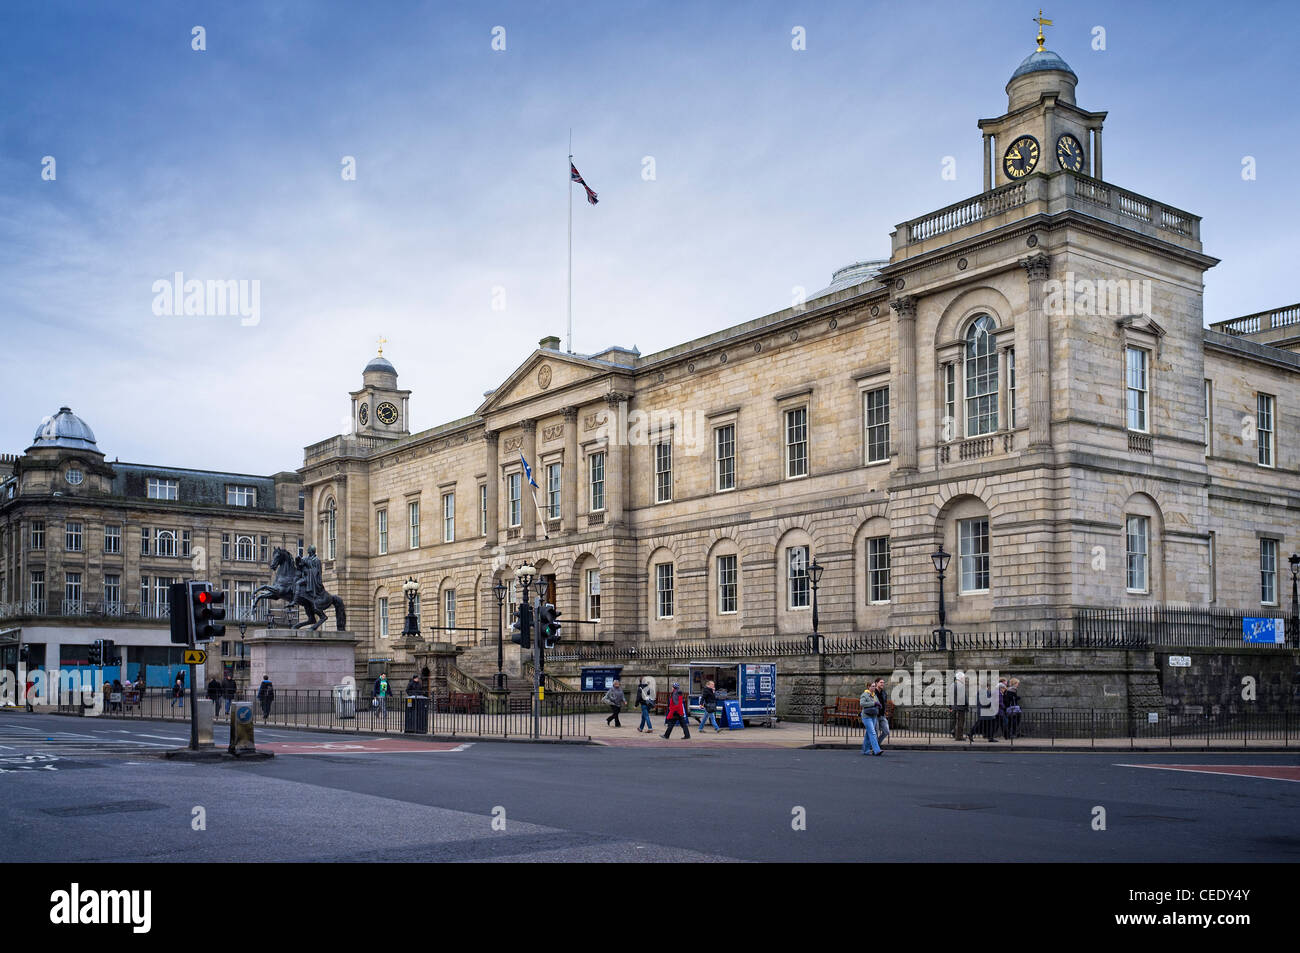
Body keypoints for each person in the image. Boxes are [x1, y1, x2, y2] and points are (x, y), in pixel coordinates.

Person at [859, 681, 882, 756]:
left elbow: (877, 702)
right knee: (872, 732)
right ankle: (877, 750)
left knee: (868, 734)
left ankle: (866, 750)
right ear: (868, 687)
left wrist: (879, 705)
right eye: (872, 686)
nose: (874, 687)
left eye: (874, 686)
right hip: (866, 716)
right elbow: (862, 704)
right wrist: (873, 703)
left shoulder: (874, 695)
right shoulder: (864, 695)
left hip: (873, 716)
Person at [873, 677, 891, 746]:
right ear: (876, 683)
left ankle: (876, 745)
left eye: (883, 683)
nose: (882, 684)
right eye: (881, 682)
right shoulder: (873, 692)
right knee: (875, 732)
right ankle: (875, 747)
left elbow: (885, 703)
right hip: (875, 715)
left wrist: (885, 712)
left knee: (886, 731)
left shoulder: (884, 693)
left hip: (882, 715)